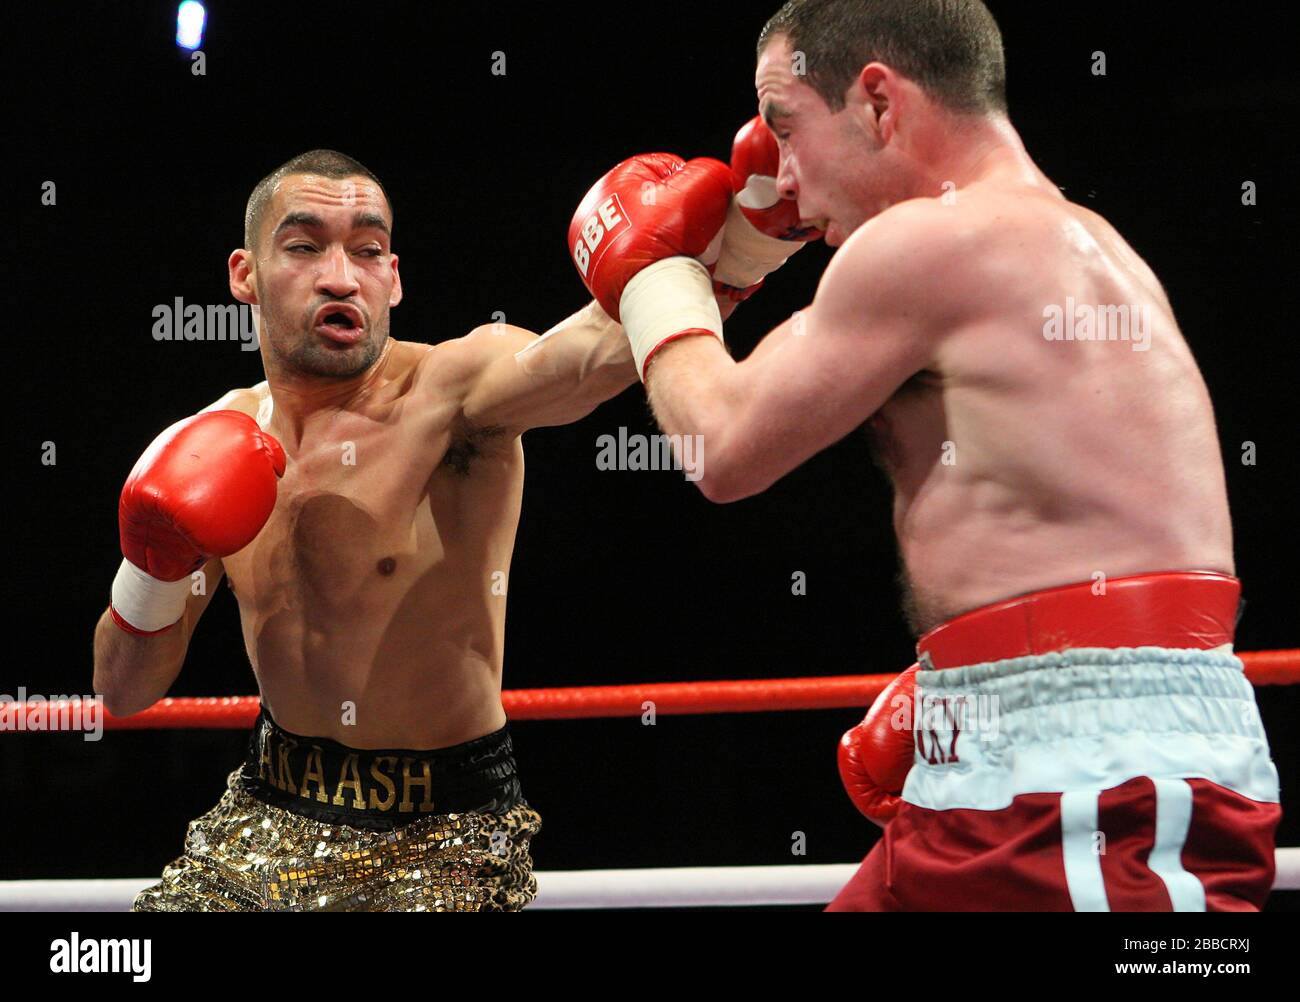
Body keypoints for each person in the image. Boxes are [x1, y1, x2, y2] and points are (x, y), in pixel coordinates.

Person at [567, 0, 1281, 910]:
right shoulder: (1073, 243)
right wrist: (973, 678)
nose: (780, 174)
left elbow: (722, 445)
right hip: (1046, 744)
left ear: (876, 102)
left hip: (1095, 779)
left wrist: (655, 278)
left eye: (787, 131)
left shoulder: (934, 242)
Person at [94, 148, 657, 911]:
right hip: (268, 807)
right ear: (244, 275)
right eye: (303, 247)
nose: (340, 276)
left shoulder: (452, 392)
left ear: (392, 277)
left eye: (366, 250)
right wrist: (152, 566)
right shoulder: (215, 438)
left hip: (445, 830)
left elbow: (596, 355)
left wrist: (714, 250)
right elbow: (123, 691)